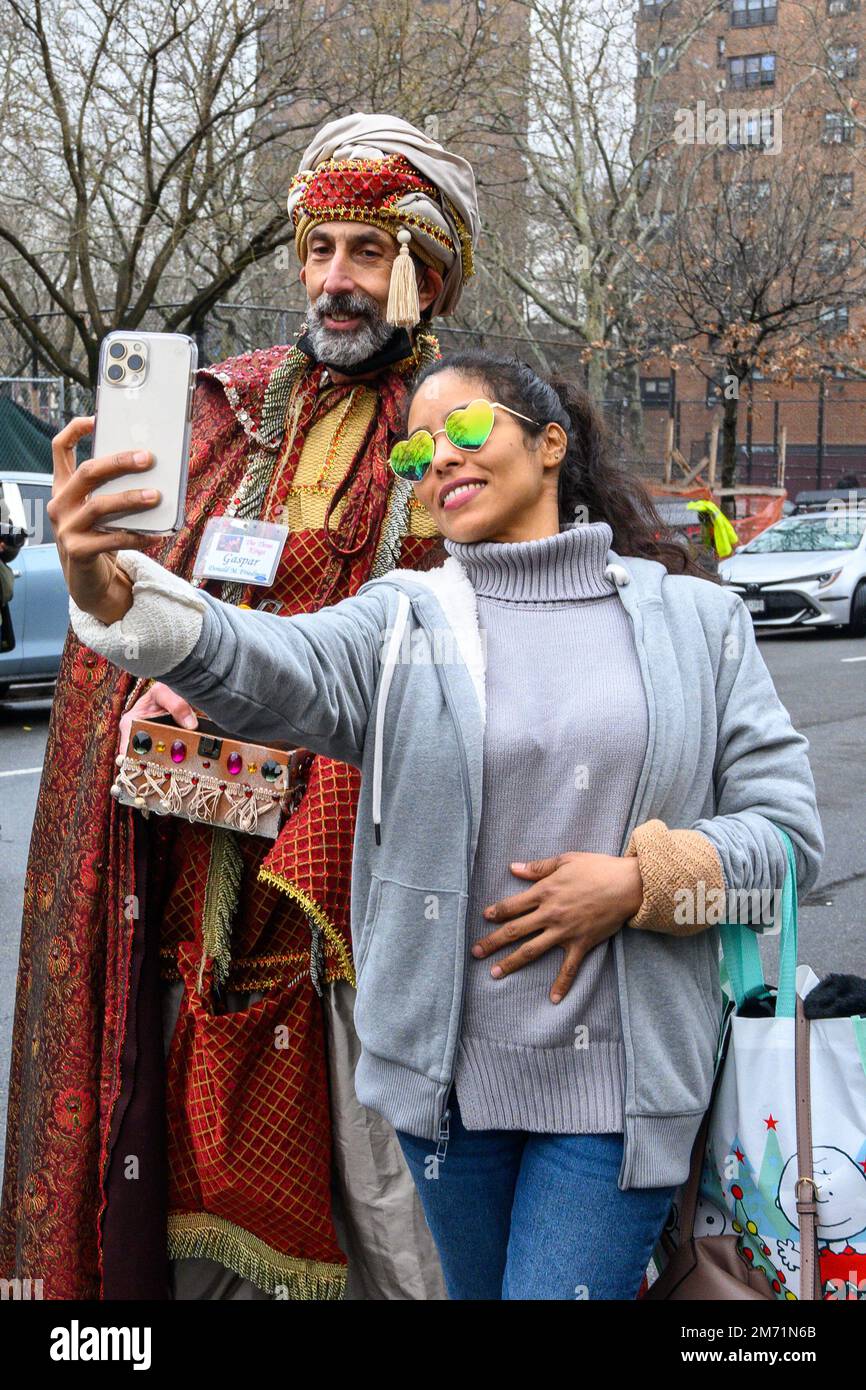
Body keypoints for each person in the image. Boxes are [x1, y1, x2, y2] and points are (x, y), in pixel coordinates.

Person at [52, 348, 824, 1300]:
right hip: (446, 1102)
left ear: (550, 445)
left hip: (623, 1098)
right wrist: (113, 594)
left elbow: (789, 849)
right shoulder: (404, 621)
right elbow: (267, 660)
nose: (439, 459)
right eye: (417, 451)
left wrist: (639, 885)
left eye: (464, 429)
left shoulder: (698, 624)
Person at [0, 113, 480, 1301]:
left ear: (428, 270)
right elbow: (136, 605)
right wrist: (125, 618)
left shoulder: (476, 431)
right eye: (318, 249)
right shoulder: (227, 408)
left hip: (363, 913)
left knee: (397, 1239)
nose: (333, 280)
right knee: (174, 1200)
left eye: (366, 251)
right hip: (186, 878)